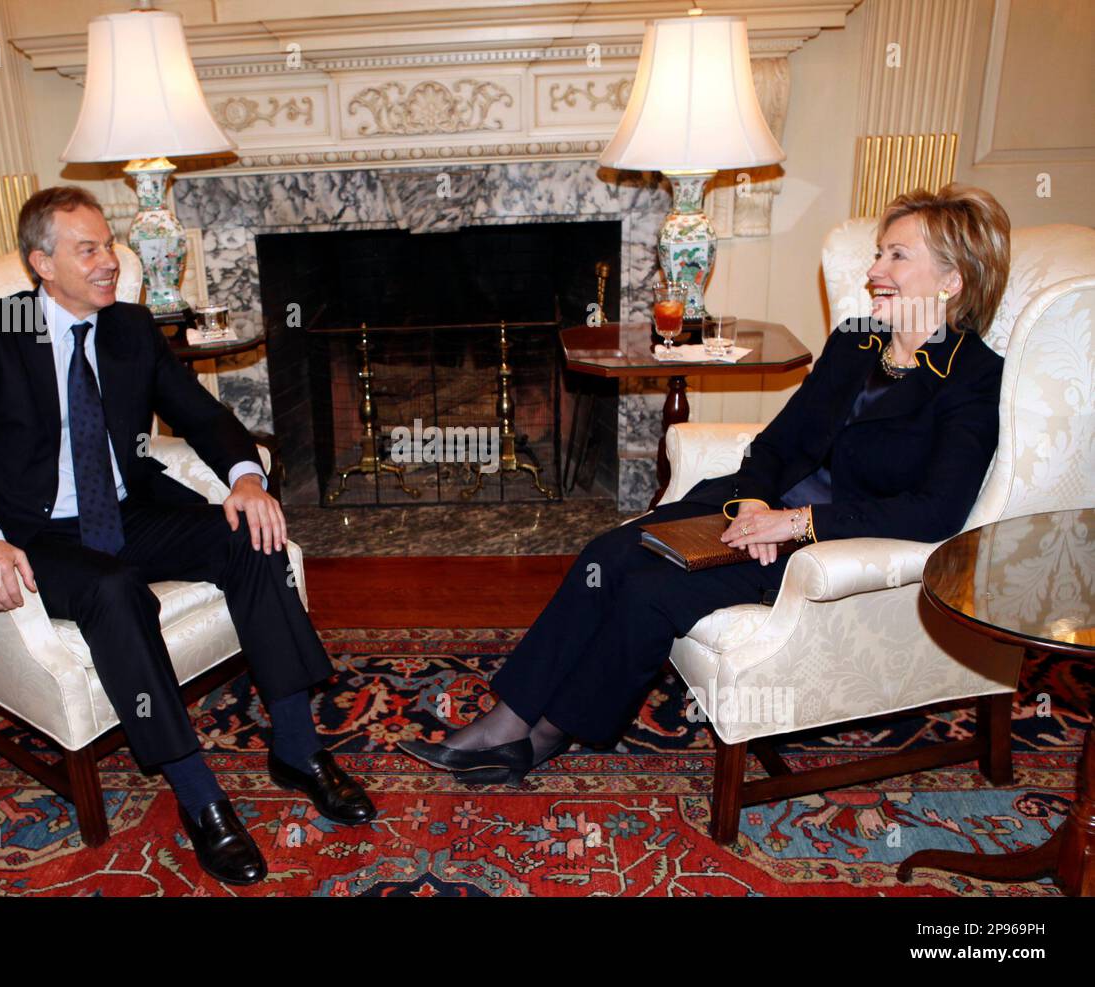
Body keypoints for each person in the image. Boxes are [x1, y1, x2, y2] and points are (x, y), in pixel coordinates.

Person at [402, 184, 1012, 784]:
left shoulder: (975, 380)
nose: (875, 268)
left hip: (829, 544)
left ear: (952, 280)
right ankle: (509, 718)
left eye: (896, 255)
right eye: (878, 252)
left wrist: (794, 524)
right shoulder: (856, 341)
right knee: (607, 555)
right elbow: (780, 442)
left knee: (647, 595)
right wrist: (754, 500)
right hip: (758, 510)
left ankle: (546, 732)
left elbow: (937, 511)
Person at [0, 186, 375, 886]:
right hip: (33, 530)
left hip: (127, 506)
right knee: (114, 589)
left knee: (248, 538)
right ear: (42, 263)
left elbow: (199, 412)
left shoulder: (130, 327)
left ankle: (297, 746)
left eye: (109, 244)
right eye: (89, 250)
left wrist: (245, 478)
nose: (110, 261)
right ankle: (201, 797)